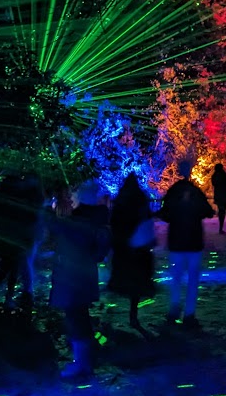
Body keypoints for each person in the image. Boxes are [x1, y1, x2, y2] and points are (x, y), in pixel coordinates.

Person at [47, 179, 110, 378]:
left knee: (76, 319)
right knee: (80, 317)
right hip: (80, 276)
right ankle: (86, 359)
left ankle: (82, 364)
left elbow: (53, 223)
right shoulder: (91, 220)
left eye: (74, 195)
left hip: (72, 279)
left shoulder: (75, 222)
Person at [157, 159, 214, 328]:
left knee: (176, 278)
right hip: (194, 241)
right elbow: (208, 211)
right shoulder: (196, 192)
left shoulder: (173, 192)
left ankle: (174, 309)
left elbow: (165, 214)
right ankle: (189, 313)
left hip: (176, 241)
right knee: (193, 280)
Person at [108, 172, 156, 329]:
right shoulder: (140, 199)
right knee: (137, 282)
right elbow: (147, 220)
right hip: (139, 249)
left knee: (123, 277)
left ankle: (113, 312)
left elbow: (114, 222)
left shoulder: (121, 201)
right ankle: (133, 314)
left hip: (123, 247)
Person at [0, 175, 43, 311]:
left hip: (11, 238)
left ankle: (7, 291)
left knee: (12, 265)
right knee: (14, 266)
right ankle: (11, 294)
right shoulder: (21, 201)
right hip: (16, 238)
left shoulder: (6, 202)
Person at [210, 163, 226, 234]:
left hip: (218, 195)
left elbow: (213, 183)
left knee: (221, 210)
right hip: (224, 194)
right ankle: (221, 227)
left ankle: (220, 227)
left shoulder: (214, 175)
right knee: (222, 211)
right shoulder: (224, 175)